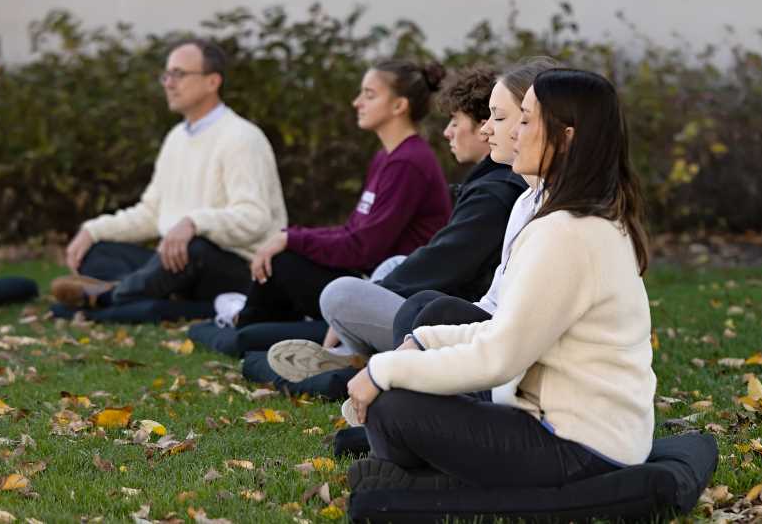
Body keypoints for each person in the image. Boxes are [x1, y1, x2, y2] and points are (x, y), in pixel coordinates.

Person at [346, 68, 656, 493]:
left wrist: (383, 370)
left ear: (565, 138)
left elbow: (498, 359)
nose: (513, 134)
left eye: (525, 121)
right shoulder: (583, 216)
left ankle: (430, 485)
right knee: (404, 384)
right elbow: (506, 326)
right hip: (596, 436)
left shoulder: (566, 231)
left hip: (581, 449)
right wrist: (423, 343)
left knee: (394, 407)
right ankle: (427, 476)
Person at [264, 59, 558, 386]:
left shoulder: (427, 168)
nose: (356, 103)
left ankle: (356, 363)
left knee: (340, 293)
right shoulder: (519, 196)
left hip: (473, 334)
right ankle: (355, 360)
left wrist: (294, 240)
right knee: (393, 276)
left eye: (497, 118)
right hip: (459, 318)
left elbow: (409, 255)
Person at [50, 39, 287, 309]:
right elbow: (151, 214)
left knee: (194, 248)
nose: (169, 83)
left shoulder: (241, 137)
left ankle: (110, 296)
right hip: (176, 264)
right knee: (97, 251)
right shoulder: (175, 138)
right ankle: (150, 292)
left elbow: (254, 219)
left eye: (179, 74)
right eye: (167, 74)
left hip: (238, 267)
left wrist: (193, 223)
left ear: (212, 82)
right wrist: (92, 231)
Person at [231, 59, 452, 329]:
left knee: (283, 263)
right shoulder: (387, 156)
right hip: (369, 280)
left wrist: (291, 239)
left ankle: (245, 325)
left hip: (390, 295)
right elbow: (353, 231)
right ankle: (248, 323)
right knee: (283, 261)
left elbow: (363, 249)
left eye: (369, 95)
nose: (357, 102)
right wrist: (289, 236)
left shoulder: (408, 162)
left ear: (399, 105)